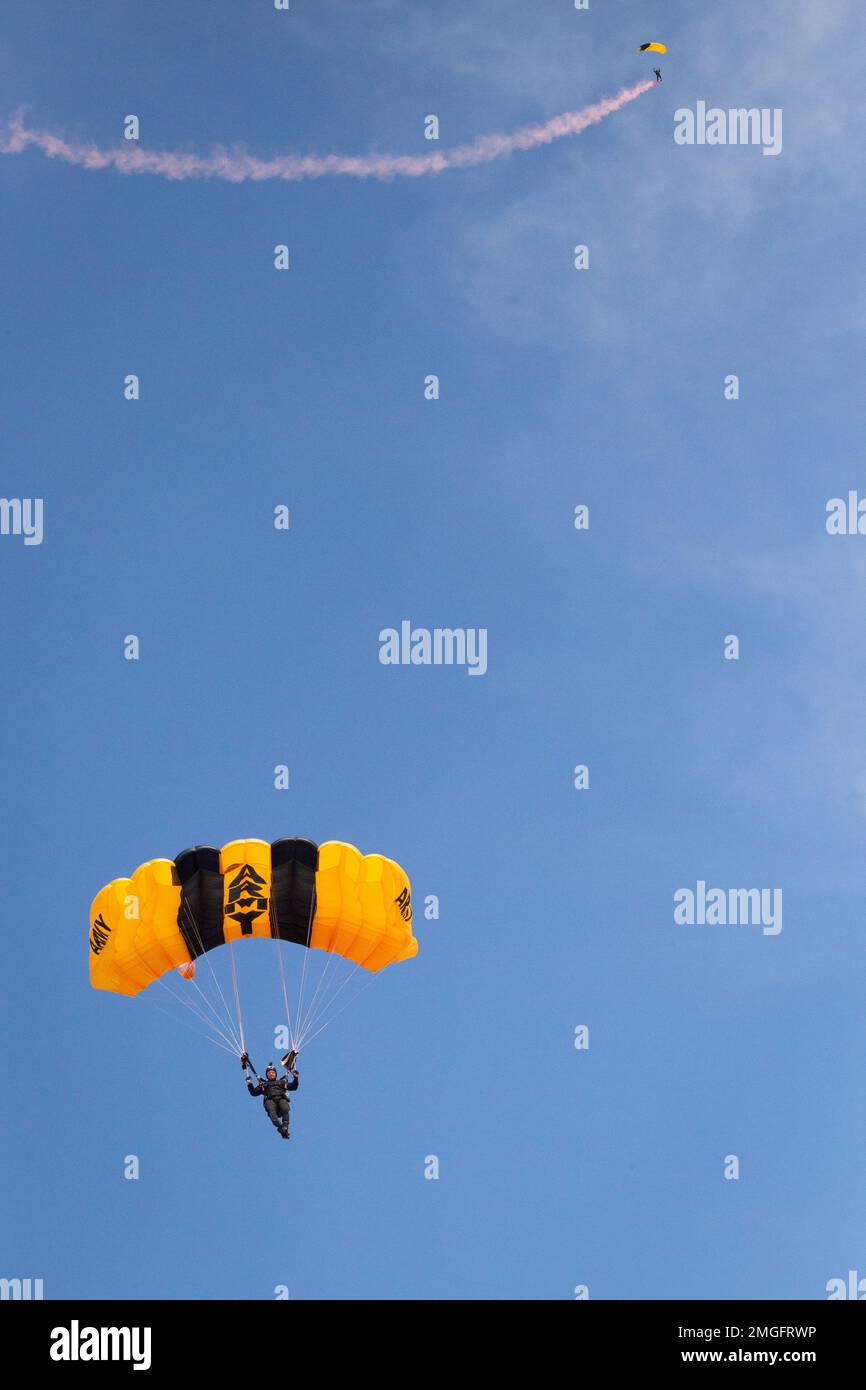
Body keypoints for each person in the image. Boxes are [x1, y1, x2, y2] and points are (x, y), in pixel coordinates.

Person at [241, 1053, 299, 1139]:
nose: (271, 1074)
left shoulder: (282, 1083)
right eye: (269, 1073)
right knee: (273, 1116)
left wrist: (295, 1078)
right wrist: (249, 1084)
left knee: (285, 1108)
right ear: (267, 1075)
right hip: (270, 1100)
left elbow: (294, 1087)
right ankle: (281, 1129)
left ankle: (285, 1127)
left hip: (281, 1099)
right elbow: (253, 1092)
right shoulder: (264, 1085)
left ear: (275, 1074)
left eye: (273, 1073)